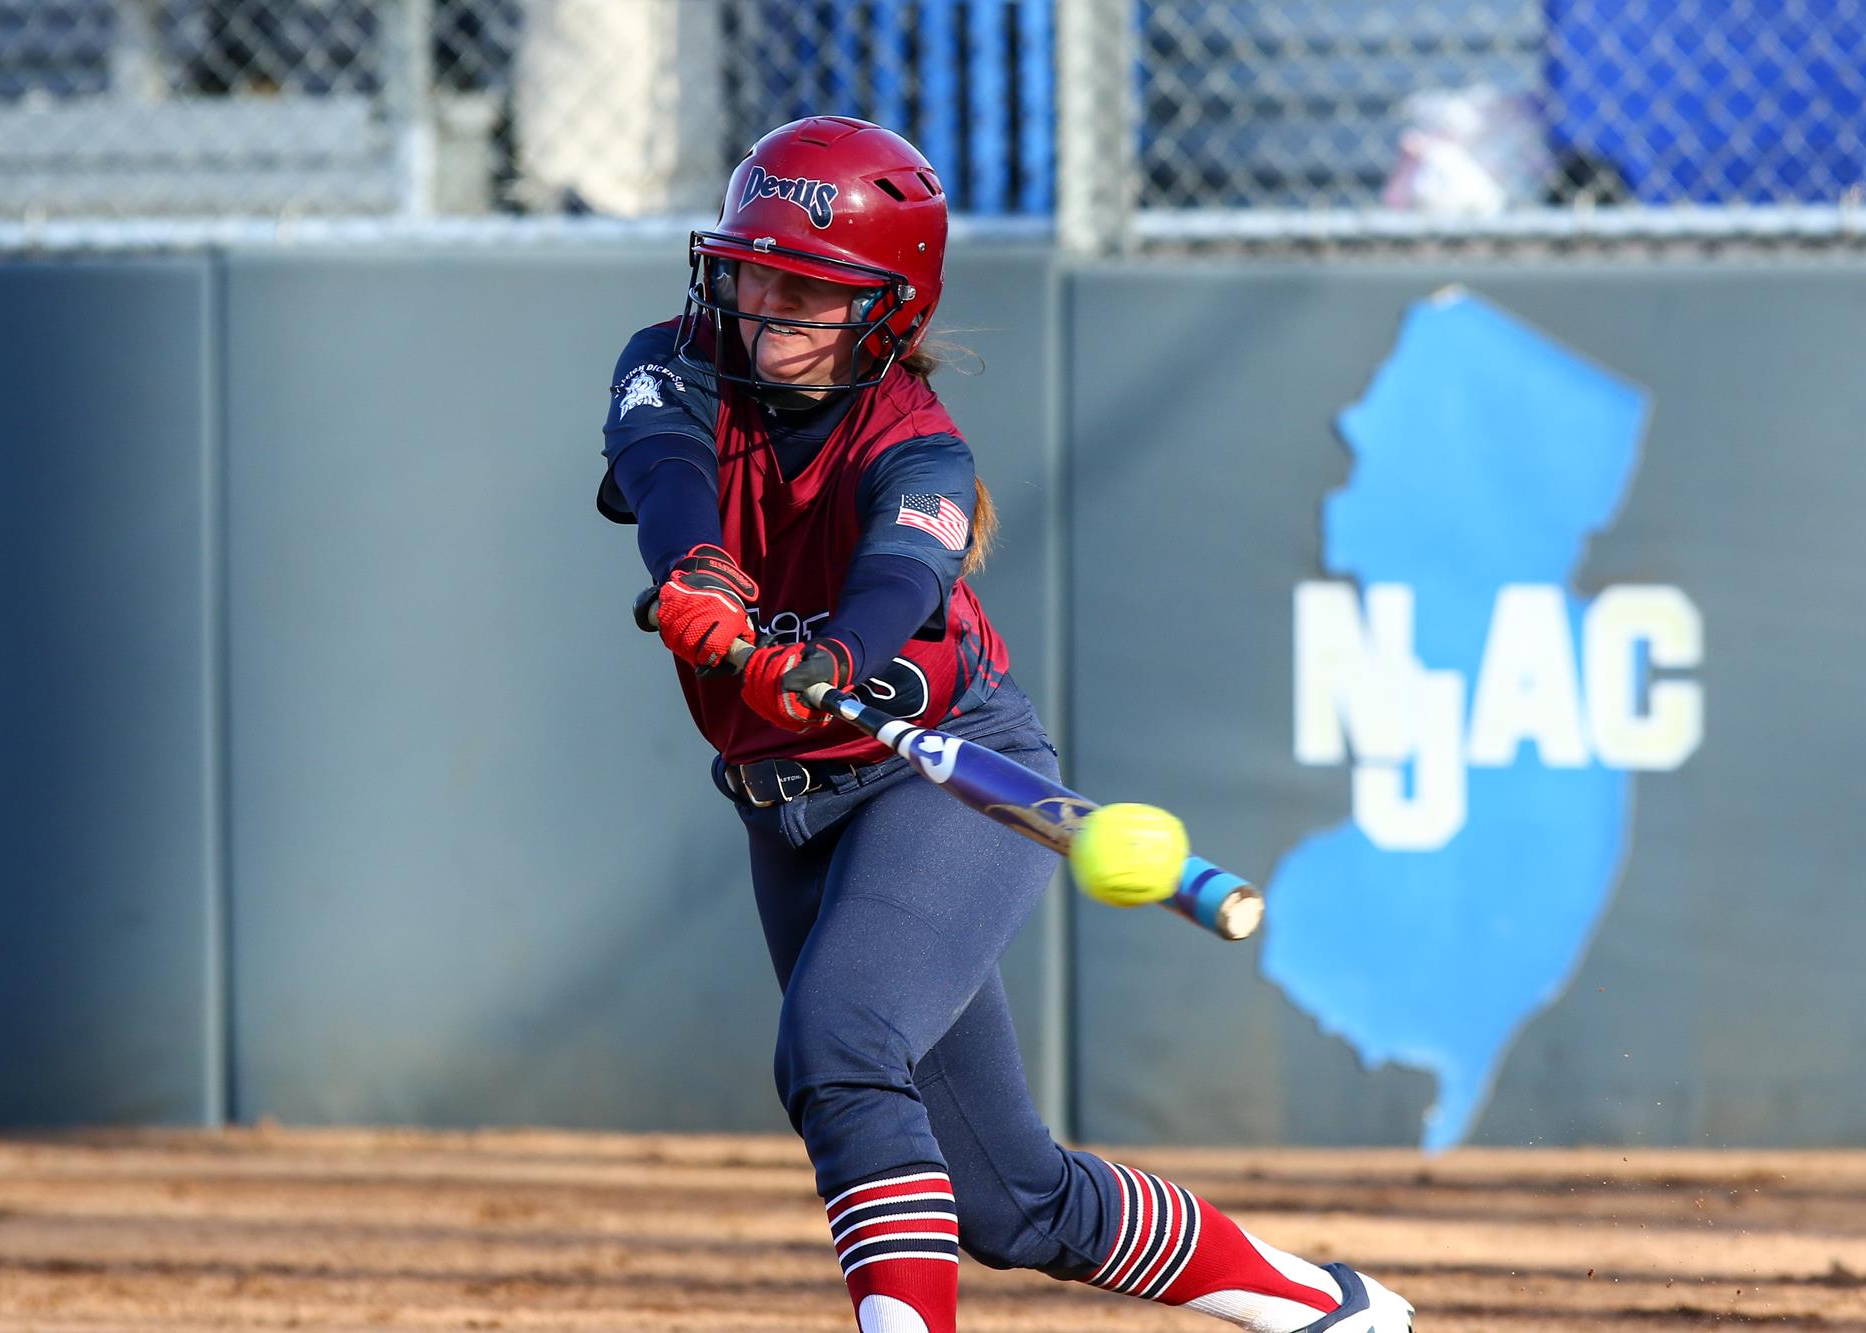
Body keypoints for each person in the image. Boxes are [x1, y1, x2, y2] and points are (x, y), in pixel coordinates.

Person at [597, 115, 1415, 1333]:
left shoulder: (915, 445)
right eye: (752, 276)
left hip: (940, 784)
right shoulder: (668, 358)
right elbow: (662, 471)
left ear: (888, 311)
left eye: (806, 292)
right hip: (787, 810)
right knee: (1011, 1202)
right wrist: (703, 574)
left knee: (838, 1046)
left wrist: (826, 657)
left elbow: (899, 577)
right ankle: (1329, 1308)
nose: (766, 314)